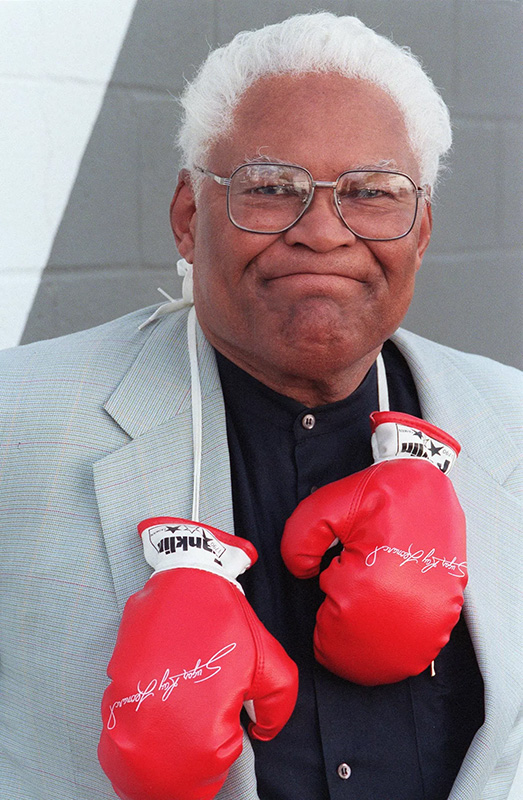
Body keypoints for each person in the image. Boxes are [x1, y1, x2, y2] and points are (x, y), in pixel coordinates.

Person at [0, 12, 521, 800]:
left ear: (419, 231)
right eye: (271, 188)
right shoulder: (17, 423)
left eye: (371, 193)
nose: (321, 231)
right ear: (187, 217)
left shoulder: (510, 421)